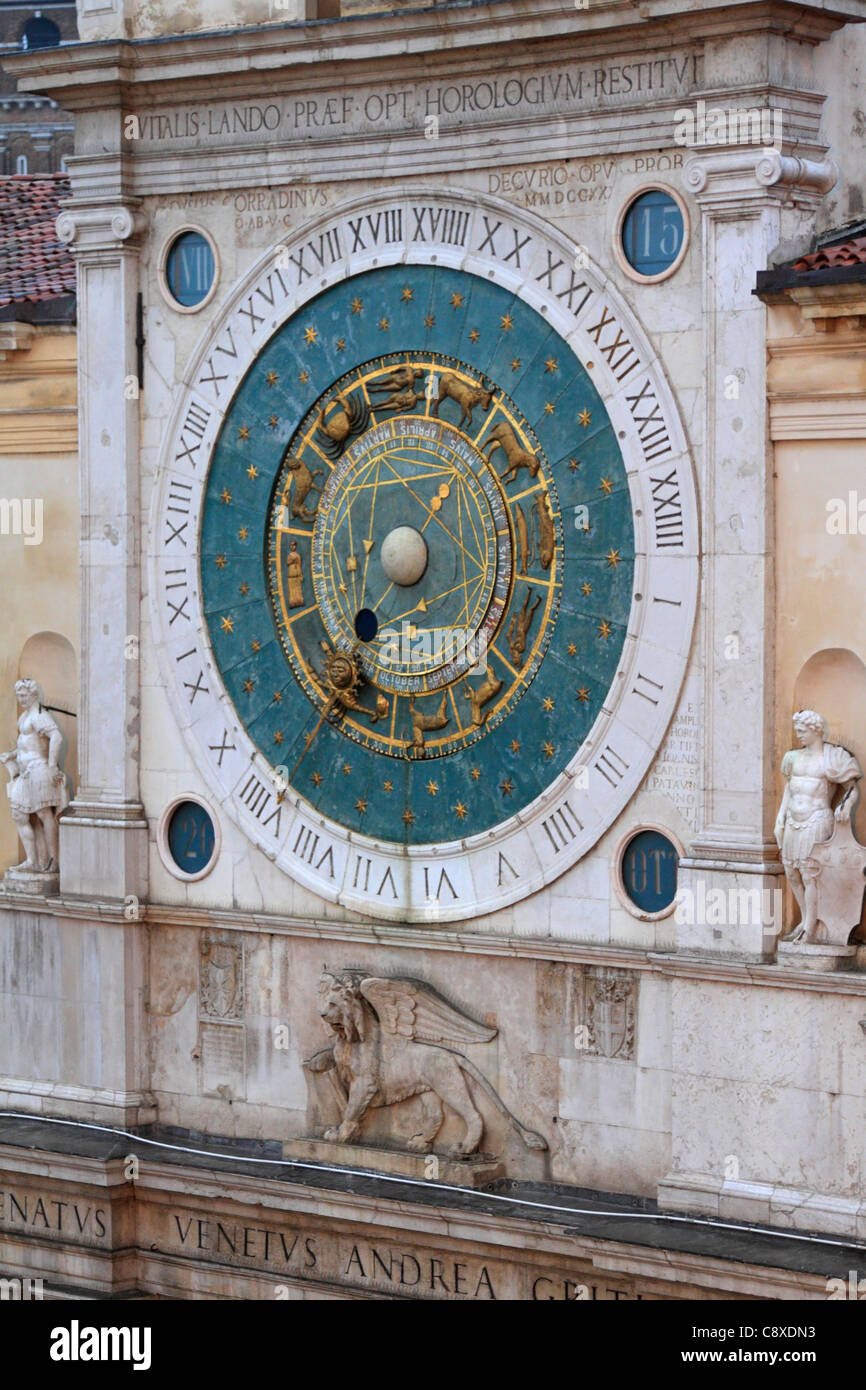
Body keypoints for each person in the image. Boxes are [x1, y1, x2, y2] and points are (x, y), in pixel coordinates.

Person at [775, 709, 860, 942]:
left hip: (817, 819)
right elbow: (789, 790)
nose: (799, 735)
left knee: (810, 874)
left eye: (802, 731)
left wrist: (845, 806)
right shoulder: (792, 758)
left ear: (815, 730)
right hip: (794, 821)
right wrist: (779, 819)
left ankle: (810, 928)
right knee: (792, 873)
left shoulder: (832, 758)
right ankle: (804, 919)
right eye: (797, 731)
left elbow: (851, 788)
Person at [0, 678, 68, 873]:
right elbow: (27, 744)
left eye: (24, 695)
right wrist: (12, 755)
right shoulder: (24, 717)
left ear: (33, 695)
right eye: (19, 695)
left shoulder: (39, 715)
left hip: (39, 770)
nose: (20, 699)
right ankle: (34, 860)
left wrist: (53, 764)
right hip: (25, 772)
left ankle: (53, 860)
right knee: (19, 814)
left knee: (44, 814)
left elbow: (56, 736)